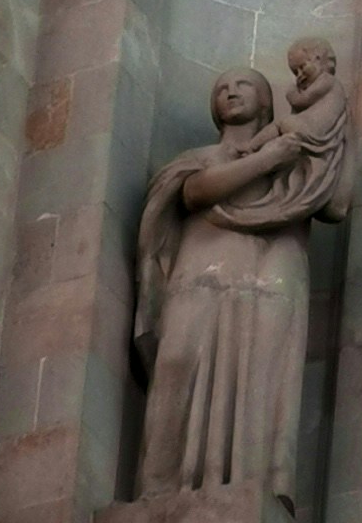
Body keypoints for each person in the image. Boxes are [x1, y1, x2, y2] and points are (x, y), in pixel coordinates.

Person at [132, 67, 336, 504]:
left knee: (259, 373)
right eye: (222, 87)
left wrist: (341, 135)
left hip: (267, 275)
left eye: (243, 84)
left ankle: (255, 487)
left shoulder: (296, 165)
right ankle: (160, 488)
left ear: (266, 102)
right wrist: (268, 158)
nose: (230, 90)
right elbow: (195, 193)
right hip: (199, 273)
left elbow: (336, 204)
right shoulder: (201, 158)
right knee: (179, 361)